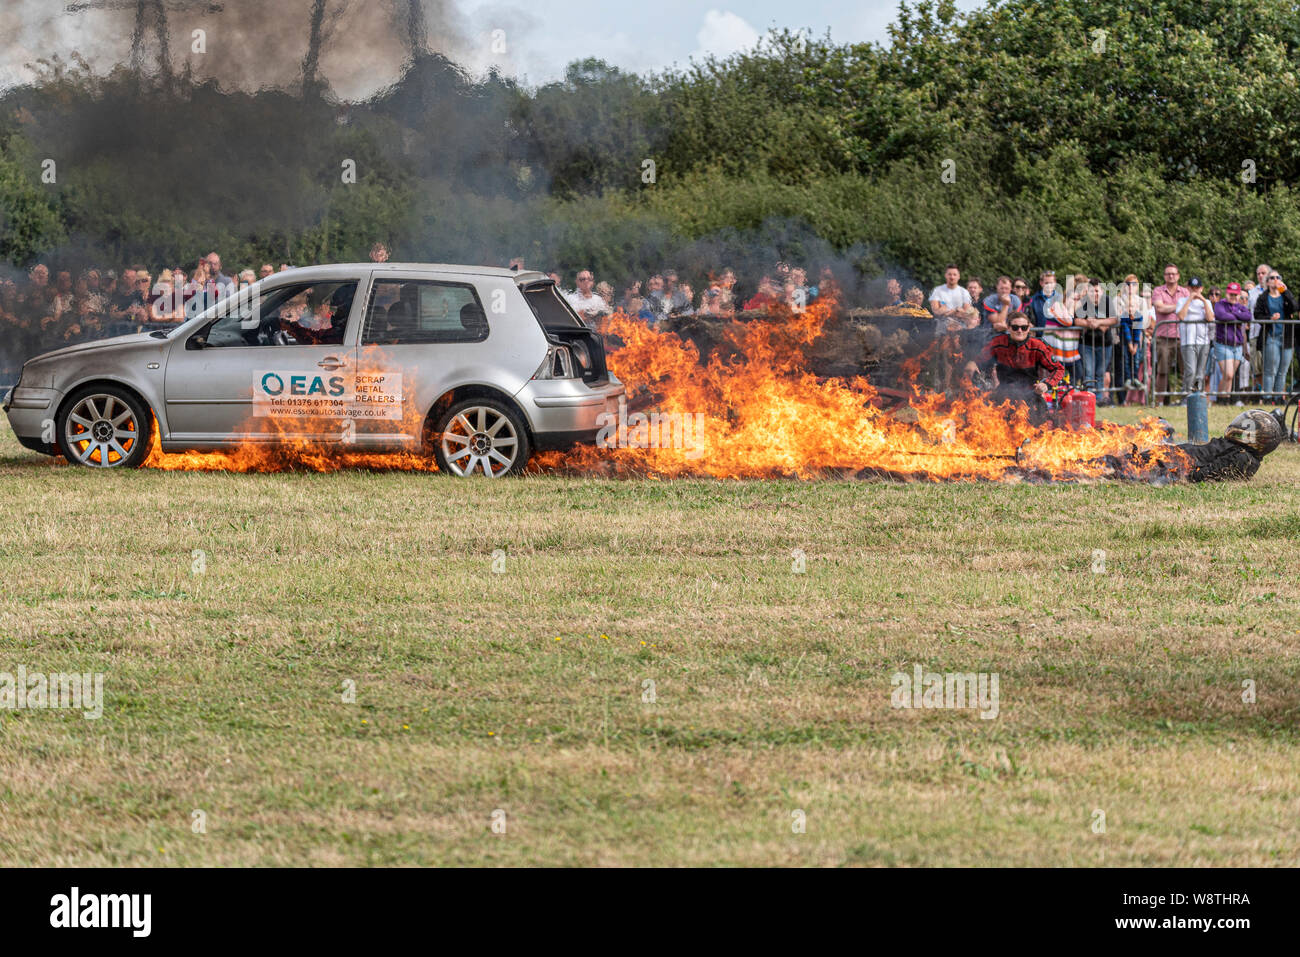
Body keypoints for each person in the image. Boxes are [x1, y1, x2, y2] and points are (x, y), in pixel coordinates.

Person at [973, 310, 1066, 424]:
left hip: (1031, 395)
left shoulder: (1037, 345)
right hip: (1004, 395)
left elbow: (1059, 369)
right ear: (1008, 328)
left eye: (1024, 327)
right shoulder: (997, 342)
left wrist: (1046, 384)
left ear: (1028, 328)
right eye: (1015, 327)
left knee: (1039, 432)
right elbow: (978, 362)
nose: (1020, 331)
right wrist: (973, 368)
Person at [1253, 270, 1297, 401]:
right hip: (1271, 337)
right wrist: (1270, 318)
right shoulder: (1263, 297)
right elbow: (1257, 315)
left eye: (1278, 277)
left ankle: (1278, 397)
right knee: (1270, 370)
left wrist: (1286, 292)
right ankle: (1267, 397)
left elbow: (1295, 307)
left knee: (1282, 371)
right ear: (1267, 282)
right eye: (1272, 278)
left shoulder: (1285, 296)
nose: (1275, 279)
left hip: (1287, 337)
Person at [1150, 264, 1188, 400]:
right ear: (1164, 276)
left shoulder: (1185, 292)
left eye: (1173, 273)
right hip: (1163, 337)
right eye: (1168, 274)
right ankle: (1159, 401)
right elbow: (1160, 308)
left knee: (1186, 371)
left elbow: (1189, 309)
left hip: (1183, 337)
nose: (1171, 276)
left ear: (1178, 276)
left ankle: (1186, 400)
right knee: (1162, 371)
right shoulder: (1158, 291)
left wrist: (1173, 307)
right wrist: (1180, 306)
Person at [1076, 277, 1117, 402]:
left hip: (1105, 344)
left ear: (1102, 291)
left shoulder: (1108, 301)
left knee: (1101, 372)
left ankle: (1098, 399)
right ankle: (1088, 398)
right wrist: (1089, 324)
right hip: (1086, 343)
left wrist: (1098, 322)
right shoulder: (1083, 302)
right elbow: (1077, 320)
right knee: (1088, 372)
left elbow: (1114, 319)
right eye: (1093, 291)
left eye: (1097, 291)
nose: (1095, 294)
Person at [1213, 282, 1250, 405]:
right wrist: (1238, 317)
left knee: (1229, 376)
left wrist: (1234, 315)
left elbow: (1248, 316)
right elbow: (1221, 315)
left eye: (1235, 294)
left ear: (1239, 295)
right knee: (1228, 374)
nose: (1233, 297)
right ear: (1226, 293)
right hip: (1223, 343)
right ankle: (1221, 399)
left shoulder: (1240, 306)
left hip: (1237, 345)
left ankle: (1224, 400)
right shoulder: (1220, 304)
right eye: (1231, 294)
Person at [1176, 277, 1214, 396]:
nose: (1194, 291)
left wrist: (1202, 300)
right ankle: (1187, 395)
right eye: (1192, 288)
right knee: (1190, 371)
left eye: (1197, 288)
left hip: (1203, 341)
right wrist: (1190, 299)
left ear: (1201, 289)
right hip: (1188, 341)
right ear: (1188, 288)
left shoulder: (1206, 302)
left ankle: (1199, 396)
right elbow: (1181, 316)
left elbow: (1210, 318)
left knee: (1200, 372)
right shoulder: (1182, 301)